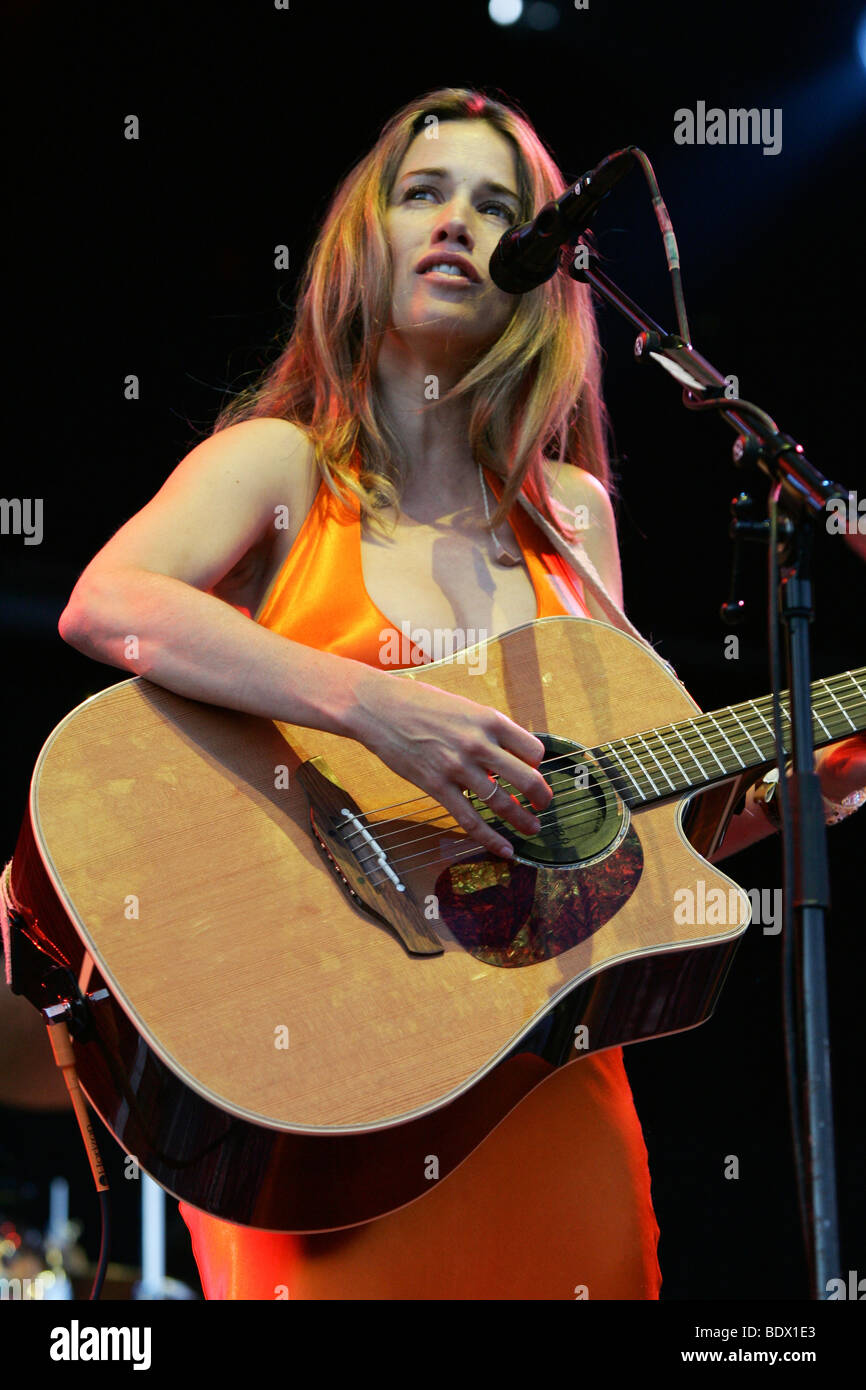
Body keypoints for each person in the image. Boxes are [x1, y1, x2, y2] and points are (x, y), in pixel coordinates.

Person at [57, 87, 866, 1300]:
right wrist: (373, 704)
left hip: (549, 1082)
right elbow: (108, 603)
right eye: (422, 193)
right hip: (325, 1085)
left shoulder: (572, 518)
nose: (455, 223)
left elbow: (612, 834)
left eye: (497, 207)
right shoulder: (279, 466)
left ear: (540, 274)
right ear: (362, 240)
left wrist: (773, 805)